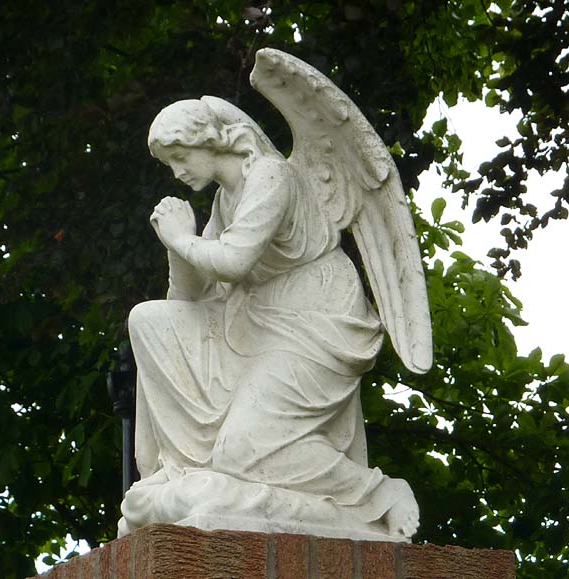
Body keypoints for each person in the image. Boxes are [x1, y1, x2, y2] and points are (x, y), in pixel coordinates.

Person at [118, 98, 418, 540]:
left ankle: (378, 493)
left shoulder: (271, 176)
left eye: (180, 157)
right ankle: (182, 469)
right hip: (253, 321)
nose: (177, 171)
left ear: (209, 141)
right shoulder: (225, 199)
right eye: (170, 163)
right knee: (149, 320)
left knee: (241, 452)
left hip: (314, 322)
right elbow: (188, 295)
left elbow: (234, 262)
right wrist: (175, 245)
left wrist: (182, 238)